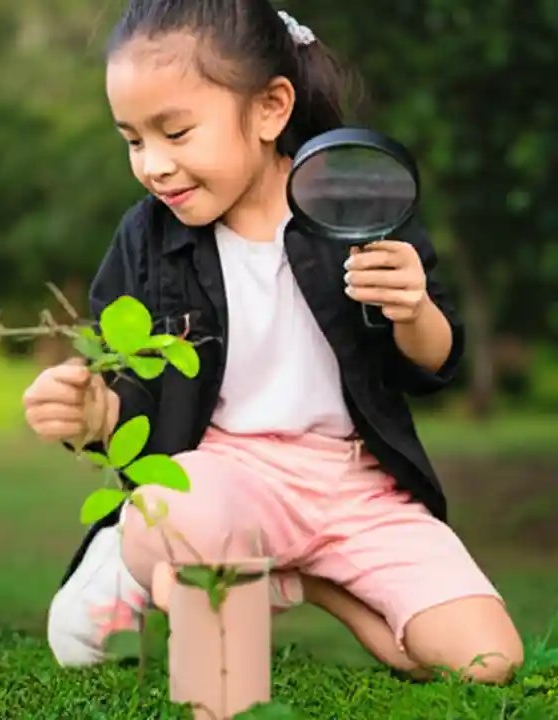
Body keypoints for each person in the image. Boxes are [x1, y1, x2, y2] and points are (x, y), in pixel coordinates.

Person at [26, 0, 522, 683]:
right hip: (225, 478)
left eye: (176, 132)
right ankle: (203, 650)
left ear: (270, 109)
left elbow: (432, 364)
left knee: (487, 661)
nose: (154, 165)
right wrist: (95, 418)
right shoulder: (147, 240)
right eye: (134, 140)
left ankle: (304, 581)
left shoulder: (355, 208)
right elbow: (133, 395)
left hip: (358, 485)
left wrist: (412, 309)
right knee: (165, 523)